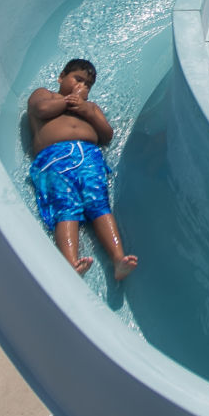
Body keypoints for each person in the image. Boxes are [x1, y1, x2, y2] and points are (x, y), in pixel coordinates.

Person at [25, 58, 137, 279]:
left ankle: (118, 259)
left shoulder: (90, 107)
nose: (82, 87)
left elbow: (106, 135)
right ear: (61, 77)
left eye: (87, 85)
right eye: (78, 79)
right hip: (55, 158)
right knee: (65, 206)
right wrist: (68, 101)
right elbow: (41, 109)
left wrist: (88, 111)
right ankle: (70, 263)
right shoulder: (45, 95)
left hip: (89, 156)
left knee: (98, 203)